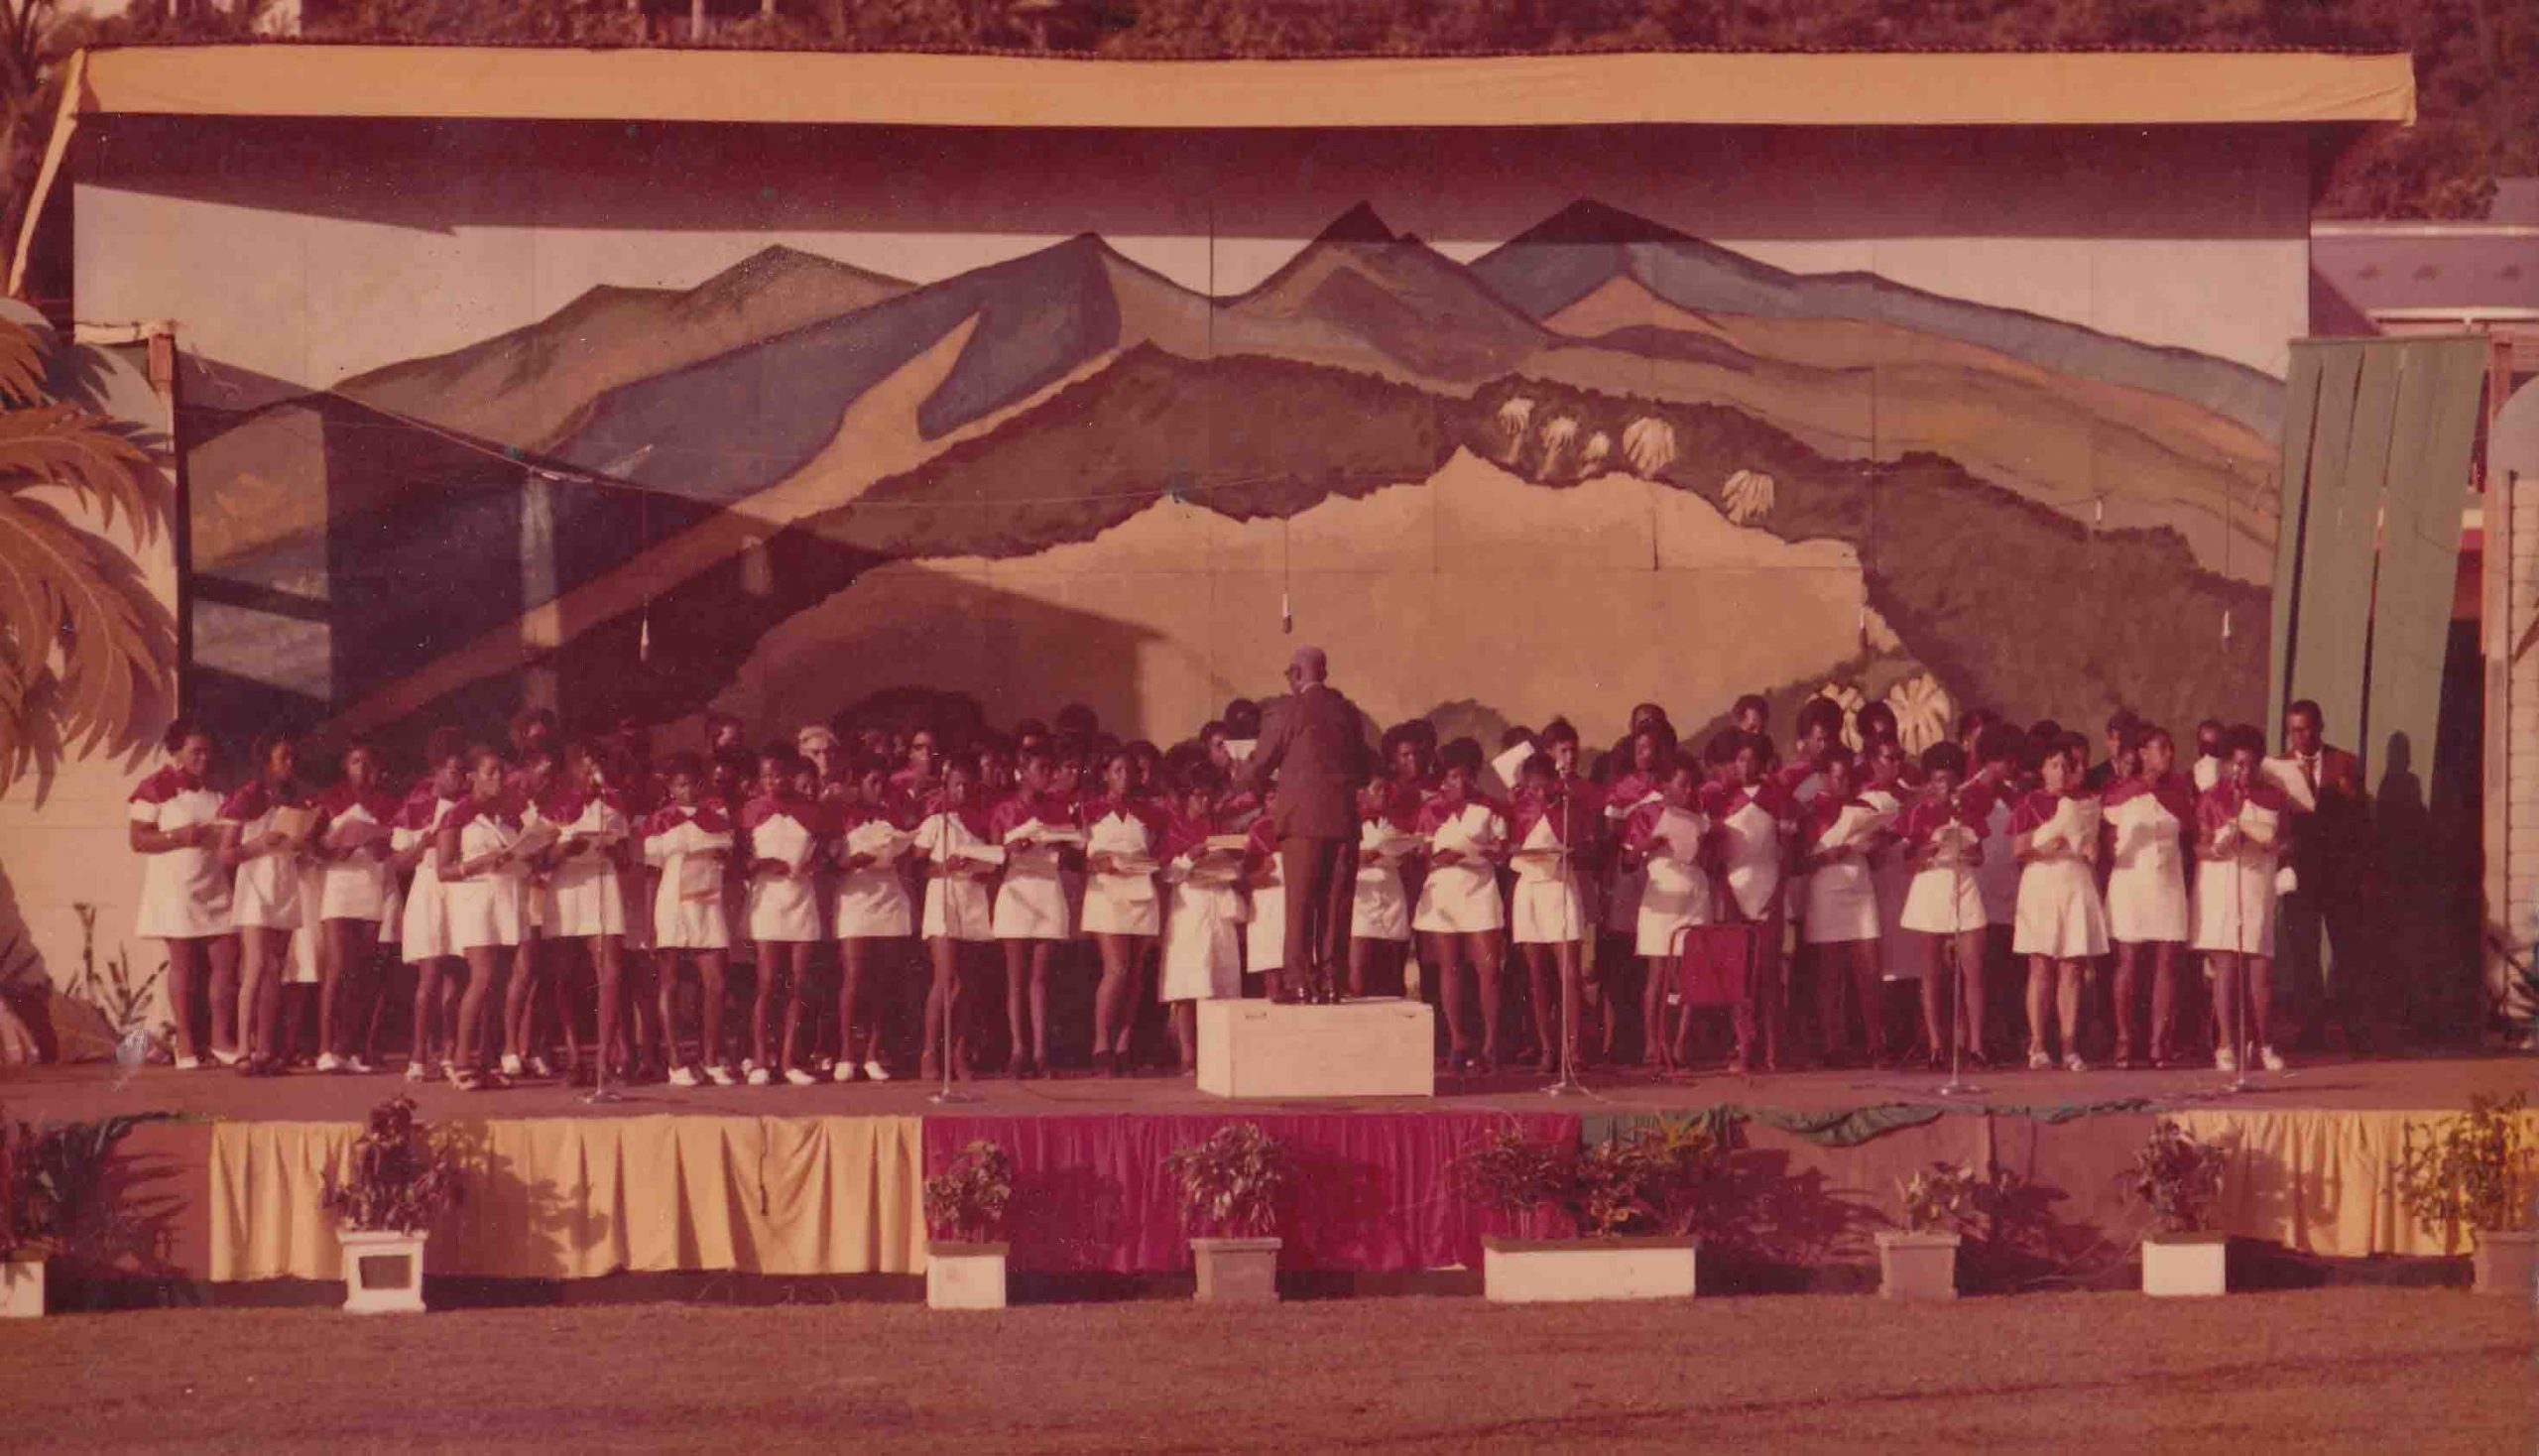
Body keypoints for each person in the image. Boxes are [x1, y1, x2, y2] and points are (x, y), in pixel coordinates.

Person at [1241, 645, 1368, 1004]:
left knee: (1299, 903)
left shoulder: (1286, 710)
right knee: (1334, 904)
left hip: (1300, 821)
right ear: (1324, 673)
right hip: (1343, 819)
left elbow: (1261, 764)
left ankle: (1298, 981)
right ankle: (1330, 983)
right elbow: (1362, 767)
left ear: (1296, 674)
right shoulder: (1348, 712)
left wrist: (1256, 787)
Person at [2267, 699, 2376, 1053]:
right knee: (2304, 955)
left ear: (2320, 726)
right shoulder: (2275, 767)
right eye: (2295, 730)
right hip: (2300, 873)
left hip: (2340, 874)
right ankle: (2311, 1028)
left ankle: (2354, 1028)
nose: (2302, 736)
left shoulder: (2345, 762)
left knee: (2348, 952)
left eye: (2308, 727)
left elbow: (2363, 823)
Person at [129, 719, 237, 1070]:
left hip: (213, 886)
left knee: (226, 959)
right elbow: (138, 840)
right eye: (196, 752)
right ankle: (186, 1044)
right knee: (185, 965)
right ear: (175, 752)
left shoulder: (218, 794)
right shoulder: (154, 788)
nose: (204, 758)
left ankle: (220, 1040)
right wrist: (178, 837)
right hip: (175, 890)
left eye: (208, 751)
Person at [438, 744, 535, 1090]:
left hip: (508, 900)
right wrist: (480, 862)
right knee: (481, 978)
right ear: (471, 778)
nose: (498, 778)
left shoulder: (509, 813)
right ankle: (461, 1060)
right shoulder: (456, 814)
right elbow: (444, 870)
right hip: (476, 902)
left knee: (499, 983)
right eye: (490, 772)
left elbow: (521, 855)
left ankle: (486, 1059)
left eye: (501, 772)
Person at [2196, 724, 2291, 1073]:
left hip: (2257, 883)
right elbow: (2200, 846)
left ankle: (2264, 1043)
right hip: (2223, 883)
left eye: (2250, 765)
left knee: (2260, 970)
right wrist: (2219, 846)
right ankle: (2225, 1045)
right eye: (2237, 764)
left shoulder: (2274, 797)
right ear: (2227, 764)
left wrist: (2272, 845)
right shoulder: (2213, 796)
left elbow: (2287, 842)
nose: (2243, 771)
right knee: (2225, 968)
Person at [2011, 734, 2109, 1072]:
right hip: (2041, 884)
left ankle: (2069, 1045)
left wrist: (2092, 851)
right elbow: (2018, 851)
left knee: (2072, 968)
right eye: (2054, 766)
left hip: (2075, 882)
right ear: (2042, 770)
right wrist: (2041, 851)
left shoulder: (2087, 802)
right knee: (2040, 966)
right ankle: (2037, 1045)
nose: (2061, 772)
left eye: (2065, 766)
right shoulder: (2030, 802)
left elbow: (2093, 845)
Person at [218, 729, 312, 1077]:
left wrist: (299, 843)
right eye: (283, 757)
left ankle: (265, 1051)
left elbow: (298, 843)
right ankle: (243, 1048)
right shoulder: (248, 796)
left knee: (276, 969)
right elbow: (226, 854)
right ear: (267, 762)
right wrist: (260, 843)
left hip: (284, 883)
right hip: (256, 883)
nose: (290, 763)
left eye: (292, 757)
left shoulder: (295, 798)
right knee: (255, 966)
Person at [1412, 739, 1510, 1073]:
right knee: (1449, 967)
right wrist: (1440, 857)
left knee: (1489, 970)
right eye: (1452, 777)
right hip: (1443, 892)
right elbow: (1425, 856)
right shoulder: (1431, 810)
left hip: (1480, 890)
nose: (1459, 783)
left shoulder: (1491, 808)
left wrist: (1479, 852)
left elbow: (1502, 851)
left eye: (1465, 776)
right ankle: (1458, 1041)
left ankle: (1491, 1044)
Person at [2103, 726, 2195, 1067]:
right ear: (2143, 753)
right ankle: (2124, 1042)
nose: (2169, 755)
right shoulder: (2119, 792)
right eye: (2162, 748)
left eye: (2171, 748)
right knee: (2127, 963)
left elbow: (2188, 832)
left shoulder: (2178, 793)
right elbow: (2107, 842)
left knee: (2166, 965)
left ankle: (2160, 1045)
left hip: (2168, 883)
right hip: (2130, 883)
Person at [1510, 730, 1600, 1076]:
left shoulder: (1568, 807)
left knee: (1569, 974)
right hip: (1528, 890)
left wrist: (1555, 807)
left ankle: (1573, 1051)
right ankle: (1547, 1050)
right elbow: (1508, 846)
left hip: (1560, 888)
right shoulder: (1517, 810)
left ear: (1550, 780)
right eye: (1528, 786)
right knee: (1536, 976)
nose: (1534, 792)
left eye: (1538, 785)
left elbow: (1581, 843)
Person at [544, 739, 634, 1084]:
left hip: (602, 882)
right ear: (570, 768)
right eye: (582, 763)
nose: (589, 770)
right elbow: (541, 859)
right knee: (565, 974)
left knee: (609, 969)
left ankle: (604, 1059)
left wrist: (610, 848)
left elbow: (625, 860)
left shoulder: (613, 804)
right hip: (566, 887)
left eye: (593, 762)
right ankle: (574, 1056)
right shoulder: (554, 804)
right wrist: (566, 847)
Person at [645, 751, 737, 1087]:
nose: (688, 790)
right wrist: (649, 924)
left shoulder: (717, 818)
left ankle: (711, 1059)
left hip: (708, 904)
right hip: (671, 905)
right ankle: (675, 1062)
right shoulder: (659, 820)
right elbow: (652, 874)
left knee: (716, 983)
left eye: (693, 784)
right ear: (670, 788)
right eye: (680, 785)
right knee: (668, 983)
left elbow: (728, 859)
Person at [1896, 743, 1990, 1069]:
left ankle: (1975, 1047)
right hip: (1930, 886)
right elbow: (1908, 862)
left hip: (1963, 883)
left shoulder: (1968, 809)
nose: (1944, 788)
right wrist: (1931, 849)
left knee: (1973, 971)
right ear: (1928, 781)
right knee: (1931, 972)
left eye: (1950, 781)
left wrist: (1966, 853)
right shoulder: (1917, 811)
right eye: (1937, 781)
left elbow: (1980, 856)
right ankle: (1936, 1045)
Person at [310, 740, 400, 1074]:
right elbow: (314, 847)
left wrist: (375, 842)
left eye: (366, 761)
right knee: (337, 966)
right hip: (339, 885)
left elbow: (390, 848)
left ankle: (349, 1048)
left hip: (371, 885)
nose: (361, 768)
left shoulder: (386, 803)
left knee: (362, 971)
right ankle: (324, 1049)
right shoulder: (329, 798)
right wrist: (336, 849)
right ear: (345, 766)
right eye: (354, 761)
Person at [1705, 729, 1791, 1074]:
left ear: (1762, 762)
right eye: (1739, 759)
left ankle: (1773, 1051)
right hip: (1735, 891)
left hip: (1769, 889)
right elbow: (1717, 858)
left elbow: (1788, 854)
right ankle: (1744, 1049)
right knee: (1739, 976)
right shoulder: (1722, 800)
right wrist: (1728, 896)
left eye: (1751, 759)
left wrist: (1778, 893)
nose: (1744, 765)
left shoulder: (1779, 798)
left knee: (1770, 975)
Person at [1797, 745, 1889, 1066]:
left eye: (1849, 777)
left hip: (1860, 890)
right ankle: (1832, 1047)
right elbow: (1797, 862)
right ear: (1823, 777)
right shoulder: (1809, 812)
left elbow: (1878, 860)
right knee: (1830, 974)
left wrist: (1875, 845)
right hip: (1826, 893)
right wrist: (1826, 856)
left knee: (1869, 970)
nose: (1844, 783)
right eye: (1838, 777)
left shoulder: (1864, 808)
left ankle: (1876, 1043)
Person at [742, 745, 827, 1086]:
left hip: (801, 898)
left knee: (798, 981)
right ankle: (761, 1058)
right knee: (766, 981)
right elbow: (740, 863)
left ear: (791, 776)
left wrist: (814, 864)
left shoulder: (811, 811)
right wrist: (762, 864)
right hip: (767, 902)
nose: (772, 781)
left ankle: (789, 1060)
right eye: (765, 776)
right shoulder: (750, 811)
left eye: (777, 775)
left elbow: (826, 855)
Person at [1621, 754, 1710, 1074]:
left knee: (1689, 975)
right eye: (1682, 785)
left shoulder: (1700, 816)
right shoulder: (1647, 813)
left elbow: (1710, 858)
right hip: (1662, 894)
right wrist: (1647, 843)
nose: (1688, 792)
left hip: (1695, 896)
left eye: (1692, 785)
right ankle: (1651, 1043)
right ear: (1665, 786)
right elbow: (1627, 862)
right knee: (1658, 973)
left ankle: (1680, 1043)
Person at [990, 746, 1075, 1077]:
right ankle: (1017, 1050)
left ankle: (1040, 1052)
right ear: (1022, 772)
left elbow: (1073, 849)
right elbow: (993, 856)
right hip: (1017, 891)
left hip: (1047, 889)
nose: (1048, 775)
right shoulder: (1004, 809)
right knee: (1015, 978)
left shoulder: (1057, 807)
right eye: (1041, 767)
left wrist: (1061, 844)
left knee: (1039, 979)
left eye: (1050, 768)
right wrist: (1012, 847)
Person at [1080, 748, 1165, 1077]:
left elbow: (1159, 851)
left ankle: (1123, 1045)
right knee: (1116, 969)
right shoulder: (1091, 810)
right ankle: (1101, 1044)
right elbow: (1080, 857)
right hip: (1107, 894)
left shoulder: (1150, 813)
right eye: (1117, 770)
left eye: (1129, 771)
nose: (1123, 777)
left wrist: (1150, 863)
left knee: (1135, 974)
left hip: (1141, 892)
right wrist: (1097, 862)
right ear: (1105, 774)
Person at [913, 758, 998, 1081]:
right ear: (946, 788)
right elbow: (918, 868)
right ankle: (929, 1052)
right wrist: (945, 865)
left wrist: (983, 871)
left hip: (972, 900)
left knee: (967, 983)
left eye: (968, 785)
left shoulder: (982, 823)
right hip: (943, 899)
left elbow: (993, 865)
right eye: (957, 785)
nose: (962, 790)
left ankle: (959, 1051)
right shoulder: (936, 823)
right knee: (945, 978)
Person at [832, 756, 913, 1083]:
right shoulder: (842, 814)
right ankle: (846, 1053)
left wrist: (899, 850)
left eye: (883, 782)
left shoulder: (891, 814)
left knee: (882, 979)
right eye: (872, 782)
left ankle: (872, 1053)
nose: (879, 789)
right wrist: (854, 860)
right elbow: (833, 860)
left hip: (888, 897)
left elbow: (907, 854)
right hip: (855, 898)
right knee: (853, 975)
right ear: (857, 781)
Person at [1157, 765, 1243, 1072]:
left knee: (1219, 978)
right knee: (1189, 981)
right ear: (1185, 798)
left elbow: (1236, 869)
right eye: (1198, 797)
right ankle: (1187, 1055)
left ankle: (1216, 1053)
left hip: (1217, 904)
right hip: (1189, 906)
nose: (1204, 803)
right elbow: (1168, 874)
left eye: (1209, 797)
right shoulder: (1174, 827)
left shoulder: (1219, 826)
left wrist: (1230, 863)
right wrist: (1189, 857)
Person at [397, 731, 466, 1082]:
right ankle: (418, 1054)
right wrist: (423, 842)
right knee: (430, 975)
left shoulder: (469, 806)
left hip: (460, 890)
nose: (460, 778)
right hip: (427, 890)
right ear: (436, 772)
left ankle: (450, 1052)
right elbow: (398, 863)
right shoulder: (415, 804)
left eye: (463, 771)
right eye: (453, 771)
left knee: (456, 975)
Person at [1348, 764, 1417, 999]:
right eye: (1378, 789)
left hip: (1392, 896)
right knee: (1358, 975)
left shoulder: (1395, 823)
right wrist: (1361, 856)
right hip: (1361, 900)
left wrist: (1405, 853)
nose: (1384, 794)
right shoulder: (1348, 822)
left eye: (1387, 789)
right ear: (1360, 792)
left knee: (1393, 976)